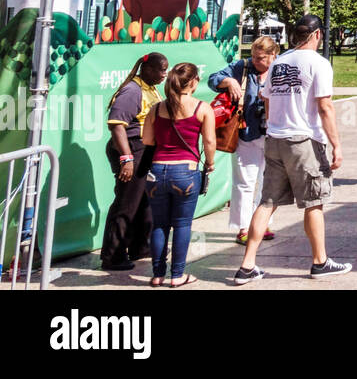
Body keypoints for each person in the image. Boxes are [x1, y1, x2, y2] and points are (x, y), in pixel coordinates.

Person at [233, 14, 350, 284]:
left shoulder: (280, 62)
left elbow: (267, 99)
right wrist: (336, 145)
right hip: (304, 141)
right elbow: (325, 106)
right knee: (314, 201)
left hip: (275, 139)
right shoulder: (319, 64)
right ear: (318, 34)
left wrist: (276, 126)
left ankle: (248, 265)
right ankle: (320, 262)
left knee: (267, 202)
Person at [140, 61, 215, 287]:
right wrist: (209, 164)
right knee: (182, 224)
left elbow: (147, 141)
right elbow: (210, 141)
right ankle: (177, 275)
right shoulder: (202, 108)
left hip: (156, 171)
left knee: (159, 225)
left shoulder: (156, 108)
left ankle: (157, 274)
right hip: (186, 171)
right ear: (193, 82)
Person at [100, 52, 167, 271]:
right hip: (131, 150)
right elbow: (117, 125)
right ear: (147, 69)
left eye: (166, 70)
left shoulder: (149, 88)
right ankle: (113, 255)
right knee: (126, 204)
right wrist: (127, 158)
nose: (164, 74)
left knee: (143, 202)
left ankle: (141, 246)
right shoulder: (132, 90)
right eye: (160, 70)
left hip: (144, 150)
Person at [209, 35, 278, 245]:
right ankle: (243, 227)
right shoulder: (243, 67)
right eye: (255, 57)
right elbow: (212, 79)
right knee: (245, 182)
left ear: (273, 55)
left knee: (269, 183)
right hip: (246, 133)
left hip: (274, 134)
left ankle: (262, 223)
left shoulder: (280, 69)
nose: (257, 61)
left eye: (262, 58)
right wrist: (229, 80)